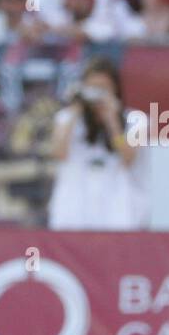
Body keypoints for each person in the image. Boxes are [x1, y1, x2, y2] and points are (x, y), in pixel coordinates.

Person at [47, 58, 146, 231]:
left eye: (103, 88)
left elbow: (129, 158)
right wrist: (75, 107)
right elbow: (59, 153)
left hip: (117, 211)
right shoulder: (67, 118)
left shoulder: (136, 121)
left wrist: (112, 121)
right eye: (92, 88)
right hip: (73, 212)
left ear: (116, 89)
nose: (97, 94)